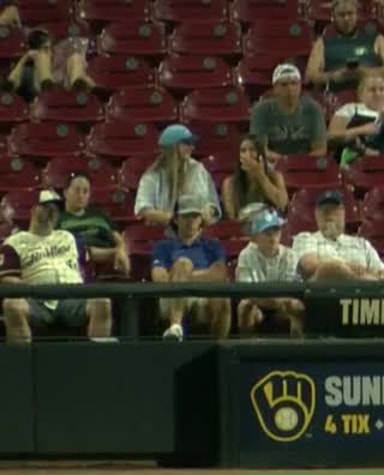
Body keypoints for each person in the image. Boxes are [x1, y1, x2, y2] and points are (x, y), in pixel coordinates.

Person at [1, 190, 111, 344]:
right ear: (33, 210)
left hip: (73, 297)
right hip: (37, 300)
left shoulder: (68, 237)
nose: (51, 212)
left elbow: (90, 257)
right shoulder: (15, 242)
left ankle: (99, 362)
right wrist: (29, 288)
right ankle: (22, 364)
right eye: (46, 207)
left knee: (102, 301)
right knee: (11, 305)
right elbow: (7, 278)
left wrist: (118, 251)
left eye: (55, 209)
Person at [152, 206, 231, 341]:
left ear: (201, 219)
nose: (191, 221)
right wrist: (182, 272)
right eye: (186, 216)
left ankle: (220, 348)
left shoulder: (212, 245)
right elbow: (158, 277)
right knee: (183, 263)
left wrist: (183, 277)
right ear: (177, 219)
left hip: (203, 294)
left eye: (195, 216)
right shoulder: (163, 246)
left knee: (223, 299)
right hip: (171, 295)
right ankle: (175, 327)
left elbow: (219, 274)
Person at [292, 191, 384, 282]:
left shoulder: (362, 244)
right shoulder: (306, 238)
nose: (329, 215)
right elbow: (311, 266)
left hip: (359, 297)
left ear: (343, 213)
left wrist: (376, 276)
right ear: (316, 215)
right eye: (325, 211)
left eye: (334, 211)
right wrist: (351, 269)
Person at [134, 125, 221, 228]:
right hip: (165, 231)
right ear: (172, 147)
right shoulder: (153, 176)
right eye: (187, 143)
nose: (192, 147)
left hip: (197, 230)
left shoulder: (199, 169)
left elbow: (213, 202)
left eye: (192, 144)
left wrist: (209, 211)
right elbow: (143, 208)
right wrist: (169, 218)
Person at [235, 209, 305, 337]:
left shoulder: (290, 255)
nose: (273, 238)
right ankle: (246, 350)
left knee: (296, 305)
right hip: (257, 302)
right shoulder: (246, 254)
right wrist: (265, 300)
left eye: (276, 232)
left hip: (282, 302)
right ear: (255, 237)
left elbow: (289, 289)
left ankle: (299, 348)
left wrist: (276, 300)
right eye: (267, 233)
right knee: (244, 306)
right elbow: (245, 289)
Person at [306, 0, 384, 89]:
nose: (346, 18)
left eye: (350, 13)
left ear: (357, 15)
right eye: (341, 15)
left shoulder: (377, 39)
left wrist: (364, 73)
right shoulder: (322, 43)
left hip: (371, 94)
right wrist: (333, 76)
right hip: (336, 95)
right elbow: (310, 76)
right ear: (333, 17)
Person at [57, 175, 130, 277]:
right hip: (76, 265)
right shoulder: (58, 219)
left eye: (85, 191)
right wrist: (115, 253)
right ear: (65, 193)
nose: (81, 195)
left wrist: (121, 250)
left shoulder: (100, 216)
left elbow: (118, 239)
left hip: (109, 261)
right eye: (77, 190)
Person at [251, 65, 329, 159]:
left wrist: (298, 162)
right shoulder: (261, 111)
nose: (290, 89)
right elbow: (261, 149)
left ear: (300, 86)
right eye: (284, 85)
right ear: (275, 88)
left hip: (305, 164)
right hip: (273, 163)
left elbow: (320, 149)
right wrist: (284, 161)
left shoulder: (313, 109)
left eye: (293, 83)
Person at [3, 28, 93, 101]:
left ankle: (79, 92)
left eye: (50, 49)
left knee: (76, 58)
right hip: (44, 106)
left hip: (70, 102)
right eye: (45, 49)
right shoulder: (26, 71)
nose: (50, 53)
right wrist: (25, 59)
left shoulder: (60, 67)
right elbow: (8, 88)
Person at [221, 135, 291, 221]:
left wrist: (260, 174)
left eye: (252, 150)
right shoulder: (230, 183)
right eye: (243, 151)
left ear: (261, 155)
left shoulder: (276, 177)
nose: (248, 155)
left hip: (271, 225)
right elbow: (231, 217)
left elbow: (282, 204)